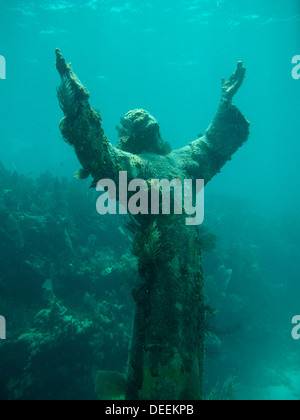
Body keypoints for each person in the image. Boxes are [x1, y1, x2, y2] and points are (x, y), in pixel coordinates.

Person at [55, 49, 250, 400]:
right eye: (137, 120)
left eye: (149, 119)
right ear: (130, 135)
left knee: (185, 367)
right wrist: (76, 102)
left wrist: (225, 101)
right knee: (154, 371)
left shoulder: (180, 163)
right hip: (160, 288)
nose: (145, 119)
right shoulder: (134, 166)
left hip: (187, 287)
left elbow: (210, 145)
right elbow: (100, 156)